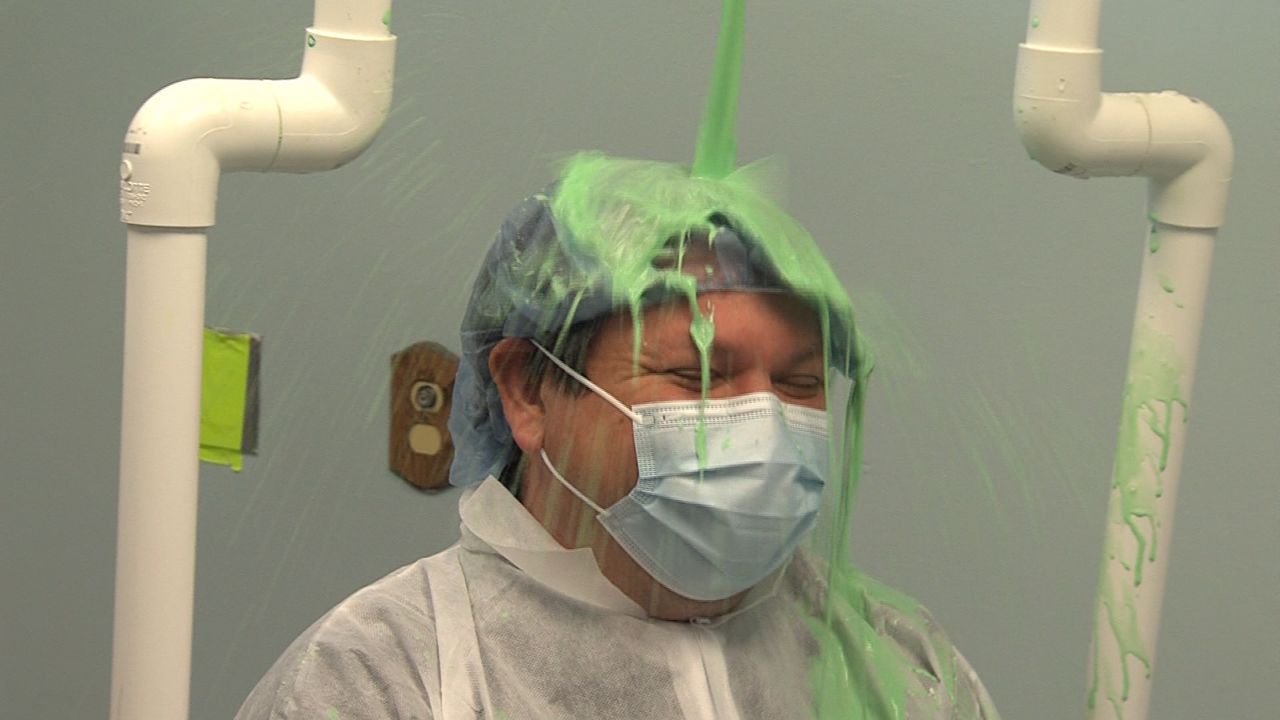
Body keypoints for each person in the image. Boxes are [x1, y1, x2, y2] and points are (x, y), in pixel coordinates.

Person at [234, 153, 1000, 719]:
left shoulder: (894, 667)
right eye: (698, 375)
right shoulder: (383, 679)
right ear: (527, 389)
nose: (764, 423)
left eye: (799, 383)